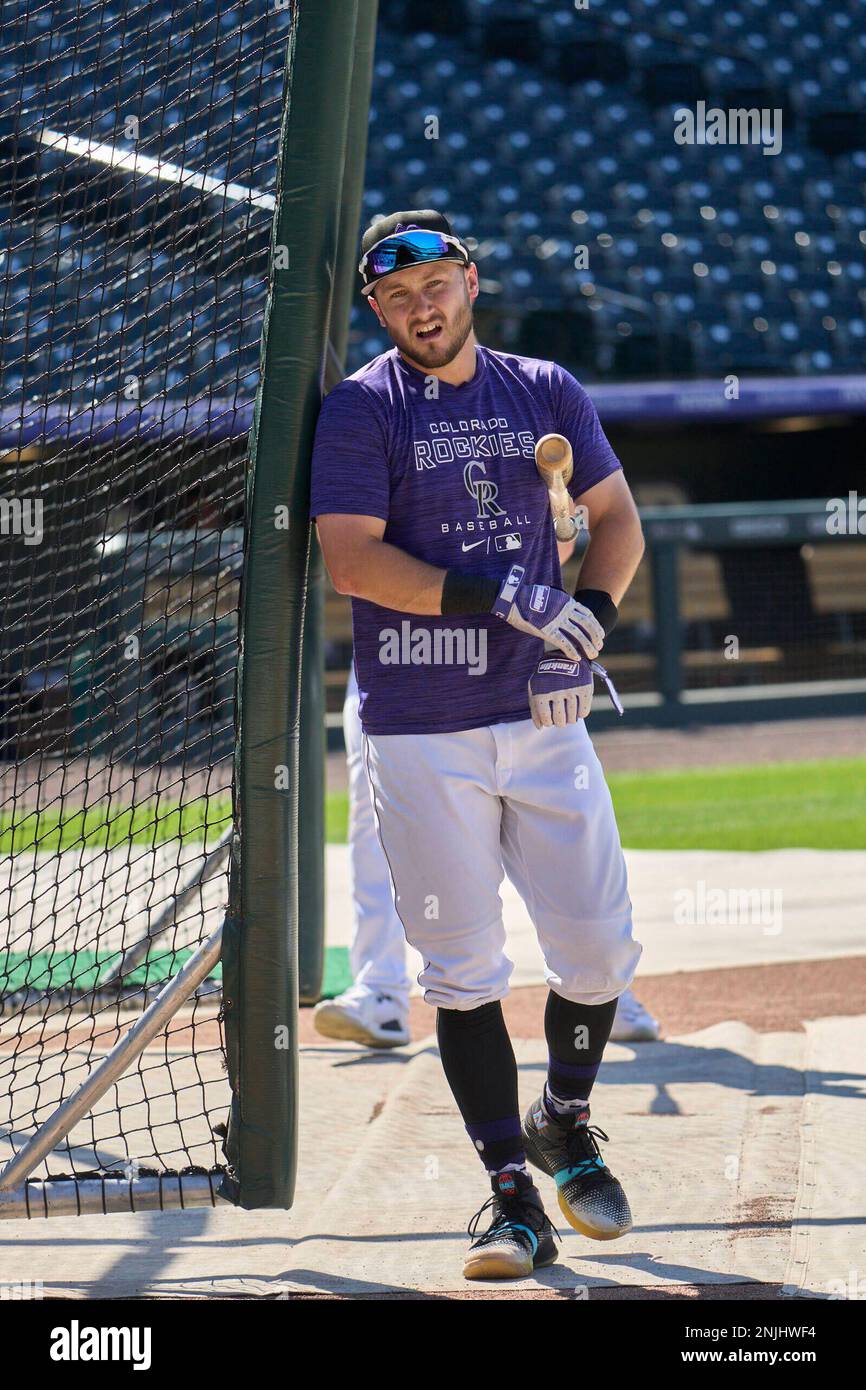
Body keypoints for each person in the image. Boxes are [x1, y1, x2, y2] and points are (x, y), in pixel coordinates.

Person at [310, 210, 647, 1281]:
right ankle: (509, 1192)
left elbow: (616, 518)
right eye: (395, 296)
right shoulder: (361, 410)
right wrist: (504, 600)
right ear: (378, 308)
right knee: (460, 975)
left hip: (543, 718)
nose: (420, 307)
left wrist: (582, 618)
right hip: (421, 728)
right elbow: (354, 562)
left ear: (468, 281)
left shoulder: (544, 387)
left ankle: (562, 1117)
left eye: (436, 284)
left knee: (596, 955)